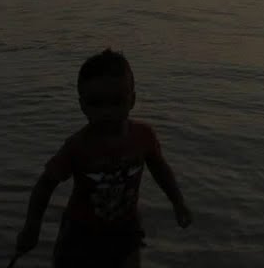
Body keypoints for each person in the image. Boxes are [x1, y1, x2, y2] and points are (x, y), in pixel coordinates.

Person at [15, 49, 192, 268]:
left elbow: (160, 168)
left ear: (132, 100)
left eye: (116, 102)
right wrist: (32, 227)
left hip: (125, 229)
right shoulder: (77, 146)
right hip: (80, 232)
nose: (107, 112)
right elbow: (45, 185)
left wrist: (178, 202)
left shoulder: (143, 136)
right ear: (82, 106)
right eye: (96, 104)